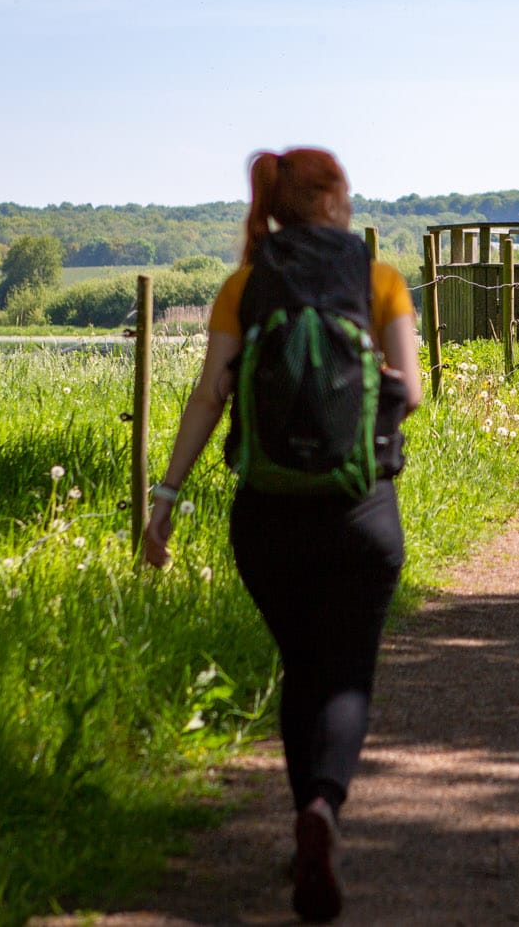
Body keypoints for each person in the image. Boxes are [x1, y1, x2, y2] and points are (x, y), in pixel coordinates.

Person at [142, 147, 420, 923]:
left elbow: (208, 396)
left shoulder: (242, 284)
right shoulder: (379, 277)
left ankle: (309, 822)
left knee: (301, 667)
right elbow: (415, 393)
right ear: (333, 201)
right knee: (347, 672)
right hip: (362, 510)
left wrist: (164, 497)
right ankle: (323, 813)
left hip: (265, 515)